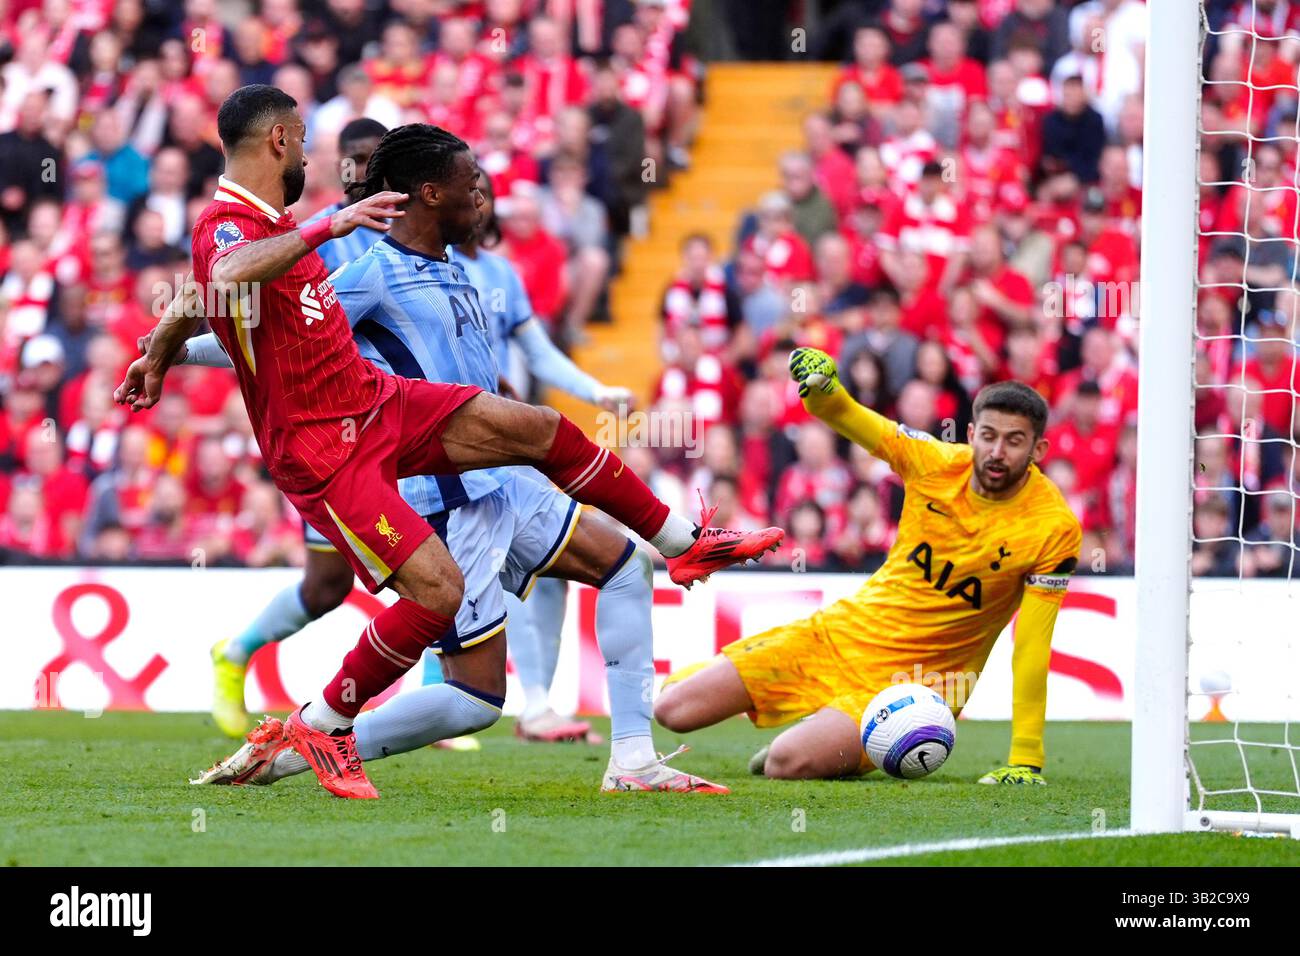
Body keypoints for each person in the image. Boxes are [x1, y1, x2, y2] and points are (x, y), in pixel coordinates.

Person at [115, 87, 784, 799]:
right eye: (473, 188)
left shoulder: (434, 262)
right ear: (280, 140)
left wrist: (161, 348)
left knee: (576, 487)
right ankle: (310, 734)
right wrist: (178, 351)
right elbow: (225, 287)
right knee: (468, 684)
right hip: (405, 477)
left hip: (422, 432)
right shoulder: (316, 249)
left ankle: (658, 655)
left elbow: (208, 300)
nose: (484, 200)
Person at [653, 348, 1082, 785]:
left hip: (916, 687)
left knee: (784, 763)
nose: (996, 451)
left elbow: (1031, 644)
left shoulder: (1053, 528)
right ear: (971, 433)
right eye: (989, 436)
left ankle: (818, 733)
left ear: (1038, 448)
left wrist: (1025, 758)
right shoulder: (931, 461)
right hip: (839, 634)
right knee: (673, 710)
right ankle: (808, 715)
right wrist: (824, 387)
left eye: (1014, 441)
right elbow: (847, 414)